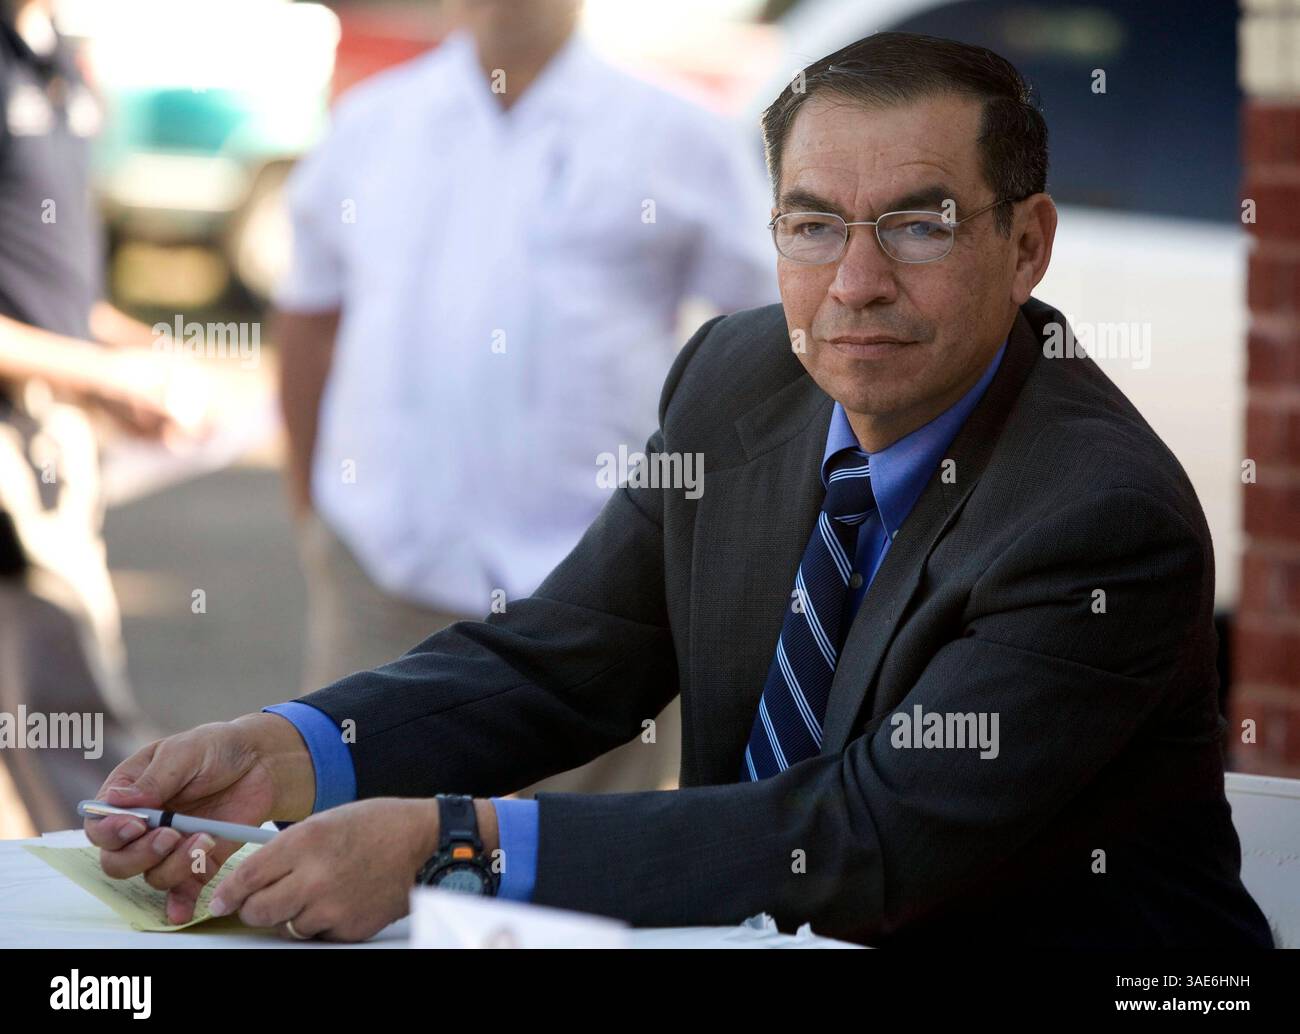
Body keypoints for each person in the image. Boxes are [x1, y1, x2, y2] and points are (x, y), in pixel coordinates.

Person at [87, 32, 1274, 948]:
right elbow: (560, 656)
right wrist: (291, 750)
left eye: (916, 224)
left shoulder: (1101, 519)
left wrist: (451, 848)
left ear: (1027, 245)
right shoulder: (738, 375)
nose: (853, 281)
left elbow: (860, 839)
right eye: (812, 225)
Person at [275, 0, 776, 799]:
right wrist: (311, 510)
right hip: (385, 576)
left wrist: (706, 533)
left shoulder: (680, 135)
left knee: (581, 895)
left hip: (602, 601)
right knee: (348, 875)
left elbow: (769, 333)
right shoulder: (373, 125)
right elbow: (309, 315)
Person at [0, 0, 184, 831]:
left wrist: (130, 360)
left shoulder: (55, 53)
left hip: (52, 424)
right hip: (17, 429)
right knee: (73, 714)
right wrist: (100, 373)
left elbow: (50, 280)